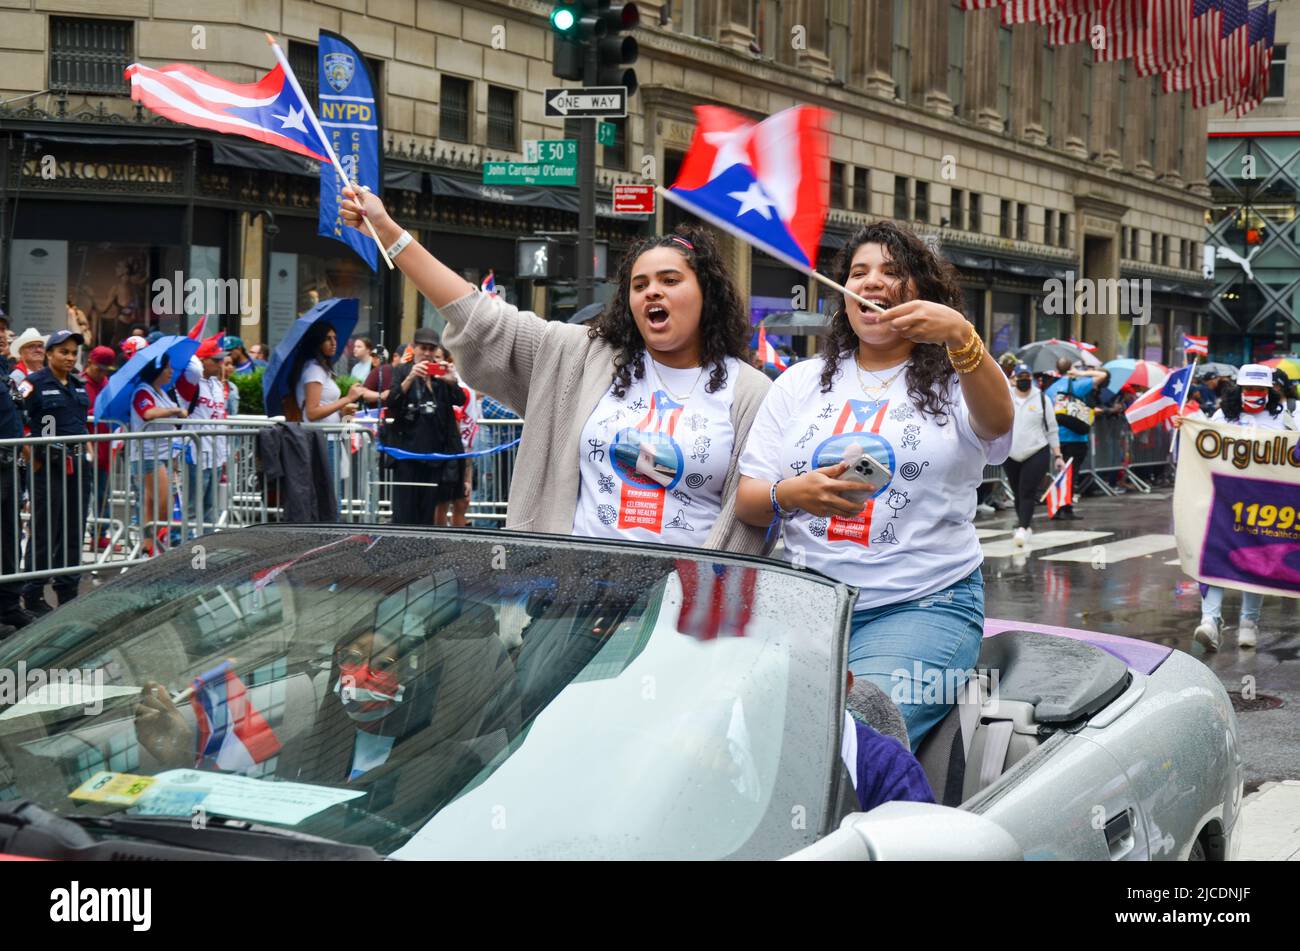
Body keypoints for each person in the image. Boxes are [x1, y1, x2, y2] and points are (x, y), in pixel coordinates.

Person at [340, 186, 771, 553]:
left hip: (687, 615)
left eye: (670, 280)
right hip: (575, 599)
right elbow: (479, 317)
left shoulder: (750, 391)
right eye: (639, 285)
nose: (652, 291)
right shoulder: (582, 358)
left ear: (706, 294)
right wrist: (389, 232)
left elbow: (755, 513)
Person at [734, 221, 1013, 749]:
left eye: (893, 272)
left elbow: (998, 425)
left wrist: (962, 336)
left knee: (847, 737)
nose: (873, 282)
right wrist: (792, 495)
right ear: (844, 297)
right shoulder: (799, 382)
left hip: (923, 604)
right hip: (808, 605)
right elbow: (751, 500)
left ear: (925, 295)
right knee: (741, 731)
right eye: (859, 272)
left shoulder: (957, 376)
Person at [1179, 364, 1296, 652]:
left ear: (1269, 391)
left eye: (1259, 390)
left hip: (1267, 502)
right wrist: (1186, 426)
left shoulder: (1286, 417)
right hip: (1225, 499)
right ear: (1239, 389)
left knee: (1257, 561)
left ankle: (1248, 623)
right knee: (1214, 555)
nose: (1253, 395)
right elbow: (1203, 442)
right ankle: (1210, 621)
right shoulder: (1223, 415)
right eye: (1248, 389)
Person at [21, 330, 92, 612]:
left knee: (74, 529)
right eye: (63, 352)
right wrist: (31, 456)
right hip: (46, 466)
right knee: (44, 530)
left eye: (74, 353)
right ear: (49, 354)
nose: (70, 357)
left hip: (77, 466)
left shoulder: (78, 384)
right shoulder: (33, 383)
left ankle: (68, 592)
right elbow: (16, 418)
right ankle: (33, 593)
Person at [384, 329, 467, 526]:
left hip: (435, 456)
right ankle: (402, 551)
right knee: (405, 512)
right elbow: (392, 402)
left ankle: (424, 553)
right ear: (414, 348)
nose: (428, 353)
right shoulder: (403, 370)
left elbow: (460, 400)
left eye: (432, 349)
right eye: (423, 348)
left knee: (427, 512)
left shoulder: (440, 374)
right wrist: (411, 377)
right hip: (407, 454)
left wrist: (452, 380)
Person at [130, 353, 186, 556]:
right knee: (164, 504)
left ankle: (148, 546)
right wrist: (175, 411)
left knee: (152, 505)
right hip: (147, 456)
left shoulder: (161, 392)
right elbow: (148, 413)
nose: (171, 371)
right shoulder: (142, 392)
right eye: (167, 367)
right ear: (157, 369)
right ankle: (155, 544)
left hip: (162, 454)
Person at [174, 335, 231, 537]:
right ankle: (188, 551)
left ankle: (206, 550)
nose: (221, 363)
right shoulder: (191, 383)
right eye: (215, 360)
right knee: (191, 507)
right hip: (196, 452)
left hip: (216, 453)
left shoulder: (217, 385)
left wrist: (226, 453)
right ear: (202, 361)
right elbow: (191, 369)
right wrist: (194, 352)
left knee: (210, 507)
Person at [1004, 362, 1063, 547]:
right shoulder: (1006, 396)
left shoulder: (1042, 399)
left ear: (1032, 379)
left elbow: (1052, 429)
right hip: (1011, 452)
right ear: (1014, 380)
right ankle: (1024, 526)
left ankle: (1023, 527)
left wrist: (1058, 455)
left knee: (1027, 491)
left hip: (1036, 450)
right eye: (1020, 378)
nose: (1024, 381)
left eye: (1027, 377)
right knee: (1017, 492)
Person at [1044, 360, 1108, 519]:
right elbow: (1103, 375)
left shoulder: (1051, 389)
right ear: (1071, 368)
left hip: (1058, 437)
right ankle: (1065, 507)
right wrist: (1080, 373)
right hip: (1076, 436)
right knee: (1072, 474)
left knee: (1061, 473)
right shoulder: (1077, 384)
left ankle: (1060, 506)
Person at [0, 350, 29, 634]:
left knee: (10, 536)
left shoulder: (5, 373)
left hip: (9, 466)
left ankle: (8, 605)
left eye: (4, 330)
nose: (1, 335)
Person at [82, 346, 117, 550]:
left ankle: (100, 534)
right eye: (99, 368)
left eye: (106, 369)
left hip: (105, 446)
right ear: (89, 363)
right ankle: (78, 533)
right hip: (85, 447)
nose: (102, 373)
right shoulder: (79, 383)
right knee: (83, 495)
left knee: (104, 494)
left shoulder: (108, 384)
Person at [445, 346, 481, 528]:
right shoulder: (449, 380)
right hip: (446, 448)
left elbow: (471, 415)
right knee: (442, 503)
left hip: (465, 449)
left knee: (462, 501)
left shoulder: (469, 383)